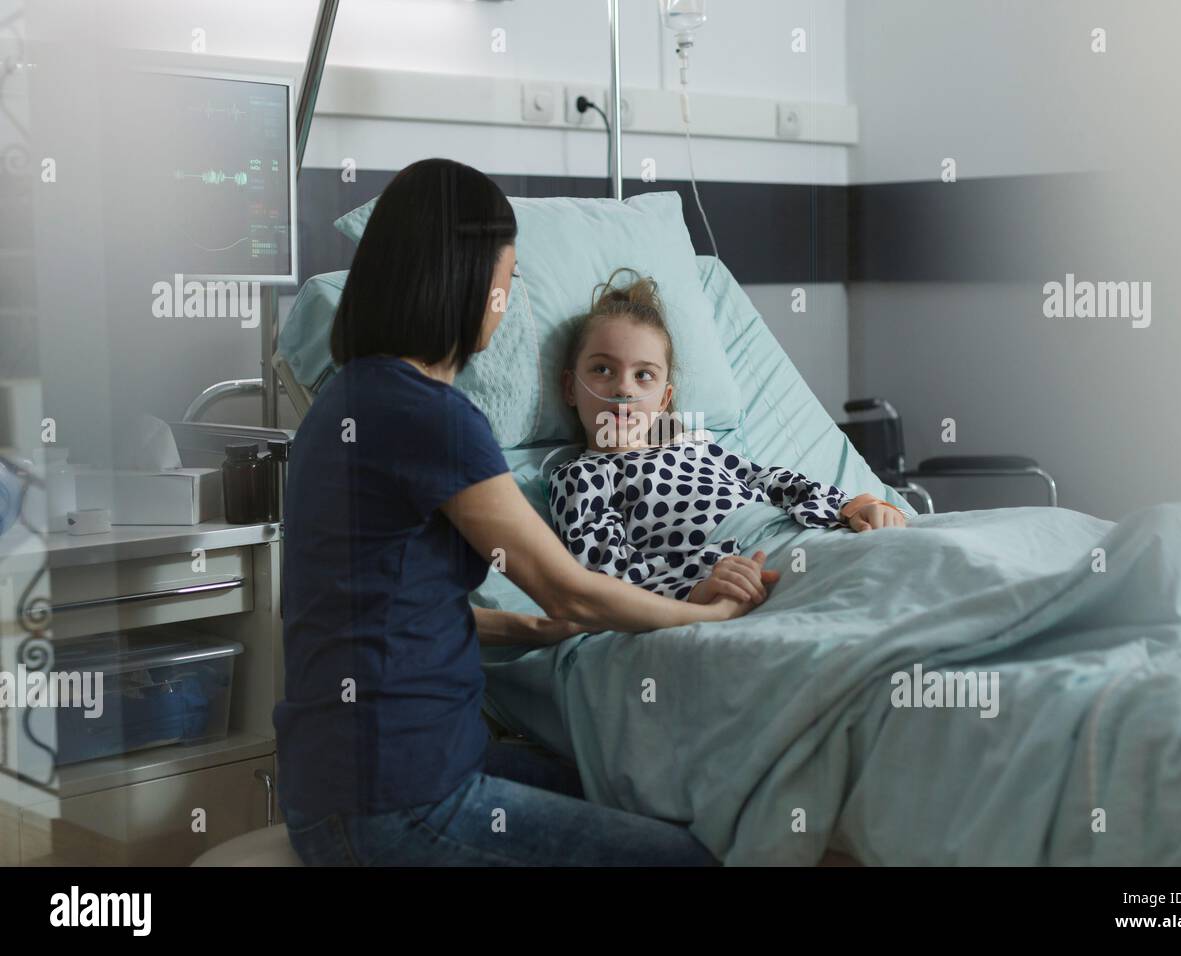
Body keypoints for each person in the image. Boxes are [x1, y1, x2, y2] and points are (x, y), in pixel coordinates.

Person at [274, 159, 768, 867]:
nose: (505, 305)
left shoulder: (345, 402)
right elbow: (566, 582)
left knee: (637, 792)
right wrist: (711, 615)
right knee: (688, 858)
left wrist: (534, 631)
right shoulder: (431, 418)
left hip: (344, 785)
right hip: (396, 804)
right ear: (469, 285)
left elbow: (383, 611)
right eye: (505, 283)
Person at [550, 268, 908, 604]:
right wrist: (694, 588)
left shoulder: (690, 445)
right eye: (602, 369)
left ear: (664, 399)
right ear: (570, 388)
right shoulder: (583, 476)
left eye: (643, 375)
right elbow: (605, 573)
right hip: (745, 564)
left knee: (924, 554)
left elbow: (767, 480)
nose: (624, 388)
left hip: (804, 529)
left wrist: (852, 507)